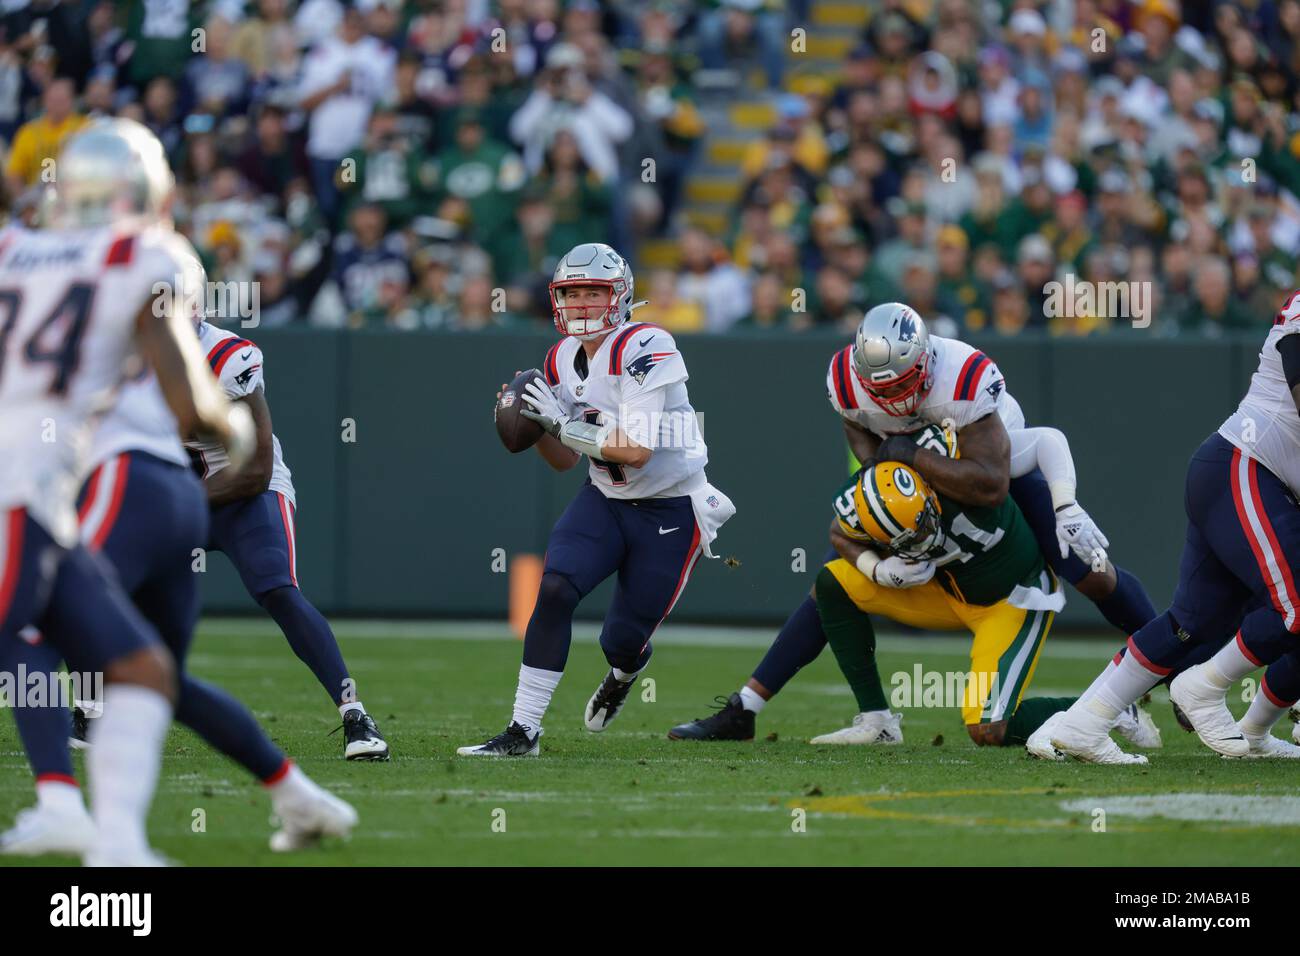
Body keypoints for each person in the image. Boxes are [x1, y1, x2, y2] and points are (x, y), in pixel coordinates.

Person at [458, 242, 735, 757]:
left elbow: (637, 450)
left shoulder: (647, 343)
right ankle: (523, 731)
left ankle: (625, 671)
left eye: (594, 292)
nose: (583, 304)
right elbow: (564, 460)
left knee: (621, 641)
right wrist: (536, 424)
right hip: (604, 499)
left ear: (621, 296)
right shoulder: (561, 357)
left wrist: (561, 422)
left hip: (671, 509)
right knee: (557, 587)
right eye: (573, 293)